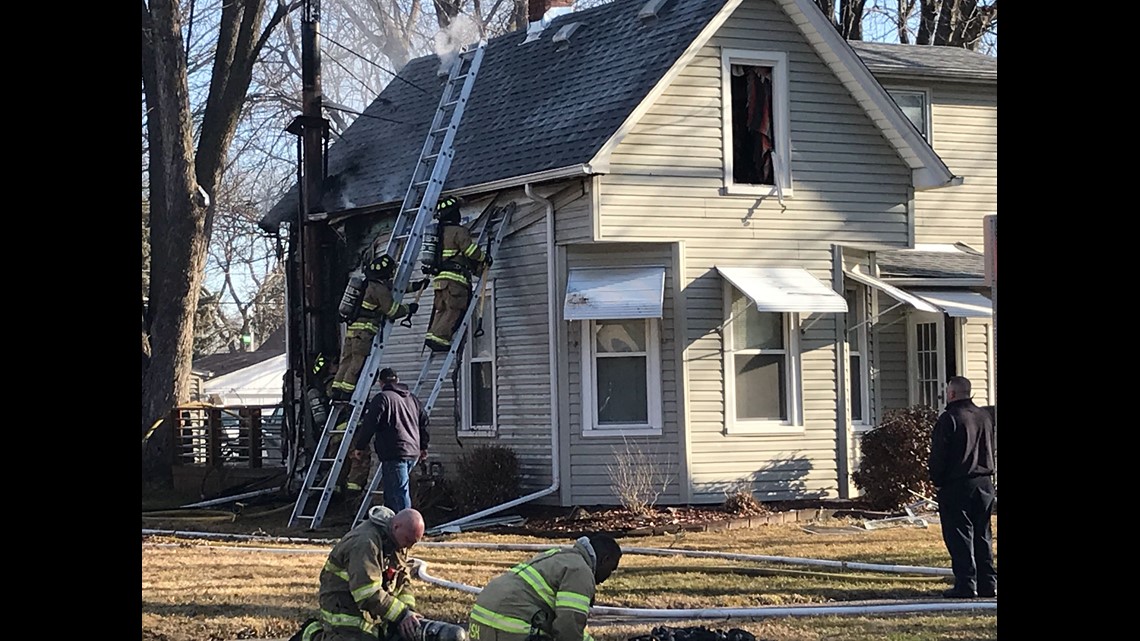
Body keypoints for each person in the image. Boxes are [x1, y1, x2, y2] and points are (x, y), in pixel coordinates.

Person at [291, 506, 426, 641]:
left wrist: (409, 612)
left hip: (371, 605)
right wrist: (401, 614)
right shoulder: (365, 543)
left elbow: (403, 581)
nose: (409, 547)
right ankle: (312, 635)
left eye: (413, 543)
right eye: (408, 540)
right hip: (342, 602)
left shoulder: (396, 541)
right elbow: (367, 593)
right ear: (396, 527)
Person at [468, 534, 622, 641]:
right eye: (611, 569)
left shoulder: (560, 556)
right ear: (605, 559)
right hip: (508, 628)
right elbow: (568, 626)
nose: (608, 576)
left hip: (480, 624)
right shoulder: (580, 571)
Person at [929, 375, 997, 599]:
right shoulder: (984, 416)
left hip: (957, 484)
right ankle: (988, 583)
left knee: (960, 536)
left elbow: (940, 454)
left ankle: (966, 584)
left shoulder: (950, 419)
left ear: (952, 394)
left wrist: (937, 480)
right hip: (985, 483)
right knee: (983, 534)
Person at [331, 254, 429, 402]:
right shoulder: (379, 289)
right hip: (364, 332)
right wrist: (410, 308)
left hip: (352, 330)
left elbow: (394, 287)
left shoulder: (368, 284)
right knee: (357, 363)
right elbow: (392, 311)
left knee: (346, 361)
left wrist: (415, 286)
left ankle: (336, 390)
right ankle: (347, 393)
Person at [349, 367, 430, 512]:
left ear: (380, 383)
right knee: (392, 491)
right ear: (397, 380)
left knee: (399, 493)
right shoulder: (412, 399)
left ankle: (407, 528)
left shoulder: (383, 398)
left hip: (395, 451)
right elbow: (423, 423)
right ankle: (392, 526)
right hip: (412, 451)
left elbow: (369, 424)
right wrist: (423, 447)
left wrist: (360, 446)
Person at [424, 197, 492, 353]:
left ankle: (432, 335)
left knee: (441, 309)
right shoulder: (458, 231)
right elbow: (470, 251)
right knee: (453, 310)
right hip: (455, 280)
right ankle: (440, 339)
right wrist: (484, 257)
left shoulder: (438, 233)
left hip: (440, 281)